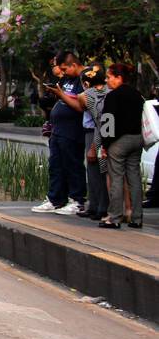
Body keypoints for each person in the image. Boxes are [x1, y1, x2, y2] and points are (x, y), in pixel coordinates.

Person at [32, 52, 86, 215]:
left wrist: (61, 94)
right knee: (56, 165)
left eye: (65, 69)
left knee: (72, 165)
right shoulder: (67, 79)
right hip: (58, 129)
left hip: (72, 131)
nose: (62, 72)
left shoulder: (83, 79)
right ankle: (56, 198)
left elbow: (79, 105)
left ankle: (77, 200)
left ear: (74, 65)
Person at [99, 61, 145, 229]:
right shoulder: (137, 95)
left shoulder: (113, 96)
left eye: (109, 77)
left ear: (119, 78)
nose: (107, 81)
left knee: (116, 177)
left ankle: (114, 217)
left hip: (119, 142)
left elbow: (107, 123)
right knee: (134, 177)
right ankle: (137, 217)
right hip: (137, 138)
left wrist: (105, 145)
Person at [76, 63, 109, 221]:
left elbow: (98, 121)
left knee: (95, 170)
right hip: (106, 133)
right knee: (100, 171)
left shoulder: (86, 95)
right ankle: (96, 205)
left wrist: (94, 146)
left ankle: (99, 207)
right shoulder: (109, 92)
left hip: (95, 133)